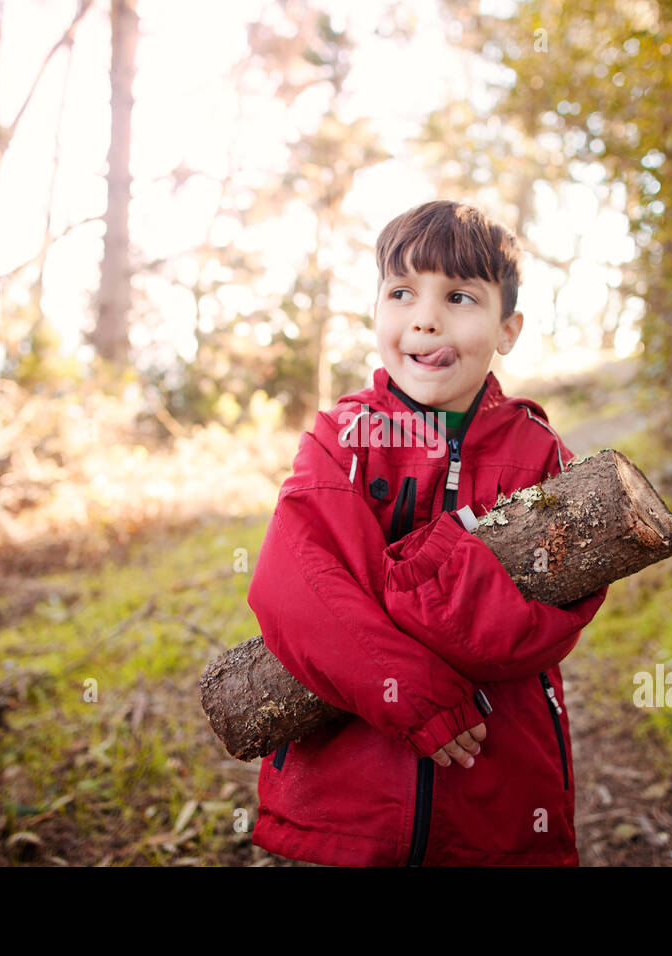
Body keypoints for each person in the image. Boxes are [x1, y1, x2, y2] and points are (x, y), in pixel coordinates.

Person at [248, 199, 609, 866]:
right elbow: (297, 590)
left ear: (508, 328)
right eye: (401, 291)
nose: (424, 317)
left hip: (498, 780)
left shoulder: (539, 457)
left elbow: (554, 616)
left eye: (460, 296)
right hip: (350, 797)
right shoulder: (342, 440)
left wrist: (395, 585)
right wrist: (417, 697)